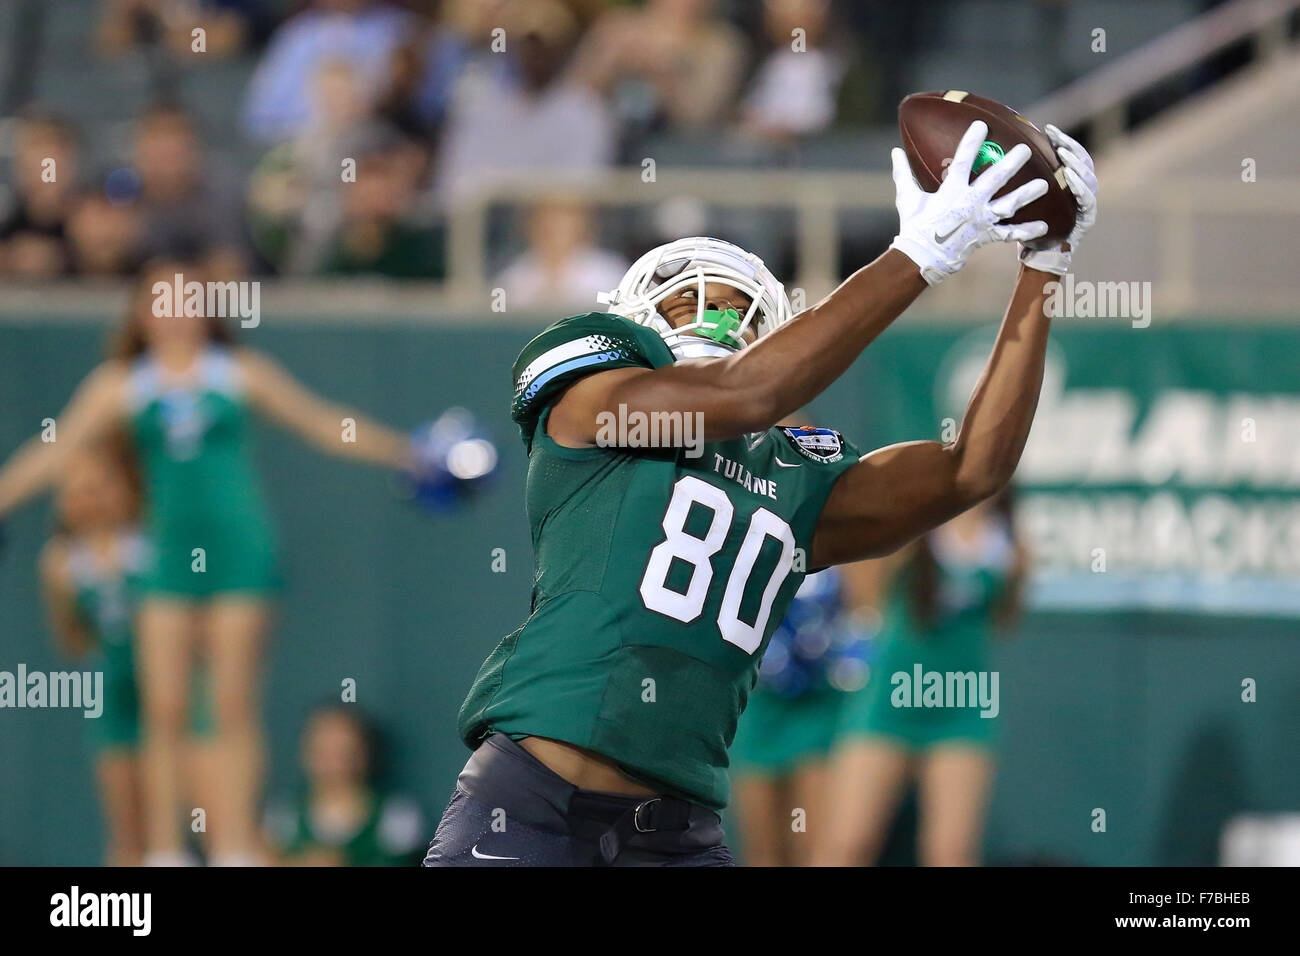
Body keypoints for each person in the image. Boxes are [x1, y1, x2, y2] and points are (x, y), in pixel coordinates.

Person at [423, 121, 1099, 866]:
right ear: (631, 318)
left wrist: (1043, 264)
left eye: (742, 310)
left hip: (679, 834)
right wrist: (918, 256)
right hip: (532, 807)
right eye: (687, 303)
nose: (715, 315)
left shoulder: (797, 471)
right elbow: (750, 390)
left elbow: (972, 470)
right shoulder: (591, 395)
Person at [0, 258, 417, 866]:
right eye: (161, 300)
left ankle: (232, 846)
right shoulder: (120, 385)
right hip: (166, 555)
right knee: (163, 707)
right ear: (141, 314)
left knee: (231, 703)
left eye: (188, 298)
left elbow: (325, 423)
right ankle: (167, 852)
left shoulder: (238, 372)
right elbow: (54, 449)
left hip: (239, 550)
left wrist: (405, 452)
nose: (176, 311)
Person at [816, 492, 1027, 867]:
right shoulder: (916, 522)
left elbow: (1004, 619)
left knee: (950, 854)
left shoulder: (1012, 544)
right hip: (889, 702)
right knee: (847, 845)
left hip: (963, 709)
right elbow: (865, 594)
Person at [729, 565, 871, 866]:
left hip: (817, 707)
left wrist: (837, 659)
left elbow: (867, 613)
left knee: (812, 845)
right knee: (762, 848)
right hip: (758, 704)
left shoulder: (841, 538)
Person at [265, 704, 425, 866]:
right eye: (323, 752)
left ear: (364, 753)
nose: (334, 764)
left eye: (345, 752)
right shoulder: (283, 817)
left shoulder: (395, 816)